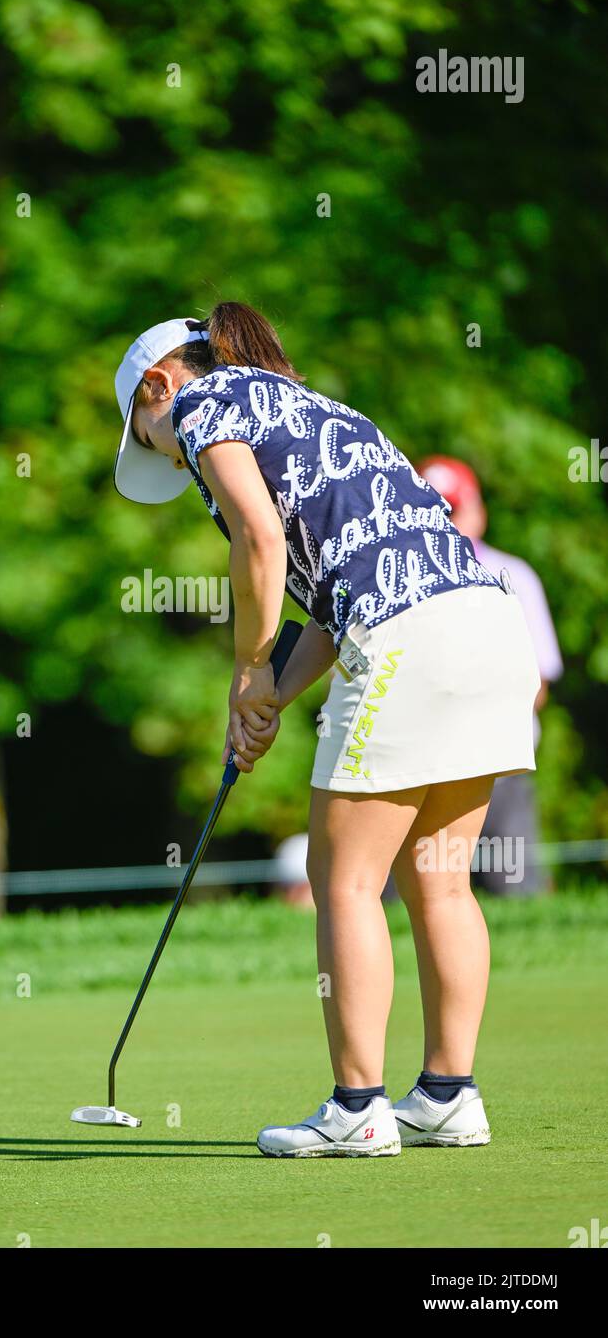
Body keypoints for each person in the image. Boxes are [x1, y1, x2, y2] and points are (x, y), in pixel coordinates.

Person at [112, 301, 540, 1157]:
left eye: (148, 438)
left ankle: (357, 1107)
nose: (179, 461)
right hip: (490, 630)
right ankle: (448, 1095)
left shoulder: (203, 404)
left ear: (159, 386)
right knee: (440, 880)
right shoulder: (312, 407)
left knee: (342, 878)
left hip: (406, 635)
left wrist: (244, 670)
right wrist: (271, 694)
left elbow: (259, 540)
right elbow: (332, 599)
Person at [417, 456, 562, 894]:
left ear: (478, 511)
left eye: (454, 510)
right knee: (418, 891)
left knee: (512, 886)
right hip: (423, 760)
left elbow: (538, 684)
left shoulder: (514, 575)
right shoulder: (402, 577)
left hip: (499, 758)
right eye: (434, 512)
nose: (448, 523)